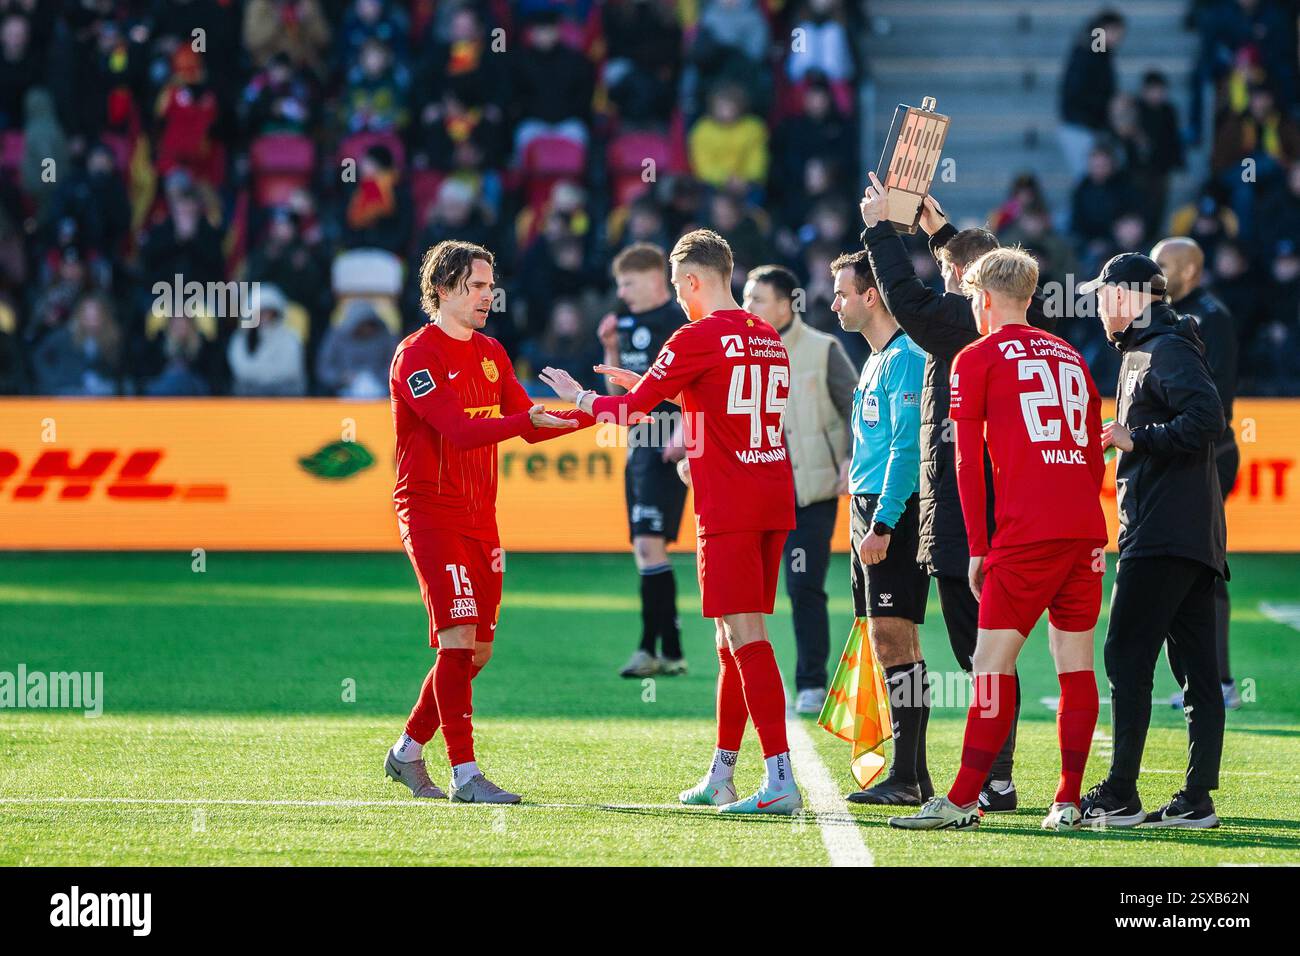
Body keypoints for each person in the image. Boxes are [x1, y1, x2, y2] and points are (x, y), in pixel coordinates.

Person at [541, 229, 802, 815]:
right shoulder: (767, 336)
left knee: (746, 638)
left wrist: (582, 398)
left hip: (730, 504)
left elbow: (628, 414)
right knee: (729, 639)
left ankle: (780, 777)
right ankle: (723, 772)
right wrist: (665, 394)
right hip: (770, 496)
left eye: (680, 291)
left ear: (688, 282)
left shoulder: (694, 335)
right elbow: (723, 402)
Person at [890, 247, 1107, 832]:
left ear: (981, 297)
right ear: (1029, 295)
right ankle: (1066, 801)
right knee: (1076, 669)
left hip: (1026, 533)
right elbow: (1092, 459)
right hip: (1084, 528)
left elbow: (966, 464)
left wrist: (980, 547)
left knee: (988, 667)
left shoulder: (975, 356)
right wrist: (1087, 522)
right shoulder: (1072, 356)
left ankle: (961, 798)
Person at [859, 171, 1056, 812]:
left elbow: (912, 304)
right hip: (1005, 509)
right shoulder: (1029, 326)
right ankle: (997, 775)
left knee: (981, 653)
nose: (951, 280)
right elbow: (974, 267)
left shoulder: (962, 327)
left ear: (978, 291)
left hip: (970, 515)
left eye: (957, 274)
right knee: (989, 651)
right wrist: (936, 229)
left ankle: (994, 778)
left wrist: (881, 229)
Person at [384, 240, 591, 804]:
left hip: (481, 516)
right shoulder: (416, 355)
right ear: (445, 289)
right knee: (456, 642)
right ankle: (465, 774)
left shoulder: (492, 353)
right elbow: (459, 429)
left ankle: (406, 752)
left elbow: (530, 422)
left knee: (476, 651)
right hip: (431, 513)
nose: (488, 295)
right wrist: (523, 416)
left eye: (490, 285)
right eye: (477, 285)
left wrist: (591, 411)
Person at [1078, 253, 1228, 829]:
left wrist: (1135, 438)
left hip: (1162, 532)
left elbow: (1207, 417)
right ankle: (1196, 799)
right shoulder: (1156, 345)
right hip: (1187, 532)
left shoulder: (1164, 348)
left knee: (1126, 655)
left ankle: (1121, 792)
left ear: (1129, 295)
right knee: (1195, 670)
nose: (1095, 305)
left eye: (1102, 294)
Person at [829, 250, 930, 806]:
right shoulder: (873, 360)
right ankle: (914, 772)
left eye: (844, 293)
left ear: (872, 296)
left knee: (896, 637)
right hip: (868, 509)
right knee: (884, 636)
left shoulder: (906, 358)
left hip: (892, 512)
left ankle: (908, 776)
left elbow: (905, 448)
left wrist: (885, 521)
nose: (835, 303)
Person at [742, 263, 855, 713]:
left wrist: (850, 458)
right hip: (757, 491)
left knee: (804, 584)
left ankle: (811, 682)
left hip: (812, 492)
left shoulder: (823, 348)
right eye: (746, 297)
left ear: (788, 304)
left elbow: (855, 405)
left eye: (757, 299)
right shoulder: (741, 351)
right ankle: (755, 683)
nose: (748, 306)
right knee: (750, 592)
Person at [1151, 237, 1241, 711]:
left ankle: (1220, 682)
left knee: (1202, 563)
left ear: (1190, 271)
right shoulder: (1170, 318)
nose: (1156, 272)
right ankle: (1201, 679)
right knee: (1185, 562)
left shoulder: (1211, 317)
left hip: (1209, 453)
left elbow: (1214, 405)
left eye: (1164, 265)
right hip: (1183, 450)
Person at [597, 244, 690, 679]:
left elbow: (700, 384)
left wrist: (685, 428)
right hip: (639, 446)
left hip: (667, 449)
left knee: (649, 545)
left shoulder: (679, 323)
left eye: (629, 282)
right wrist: (611, 349)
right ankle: (669, 651)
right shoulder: (626, 324)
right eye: (619, 283)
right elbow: (622, 401)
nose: (622, 291)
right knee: (645, 547)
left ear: (657, 279)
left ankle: (649, 650)